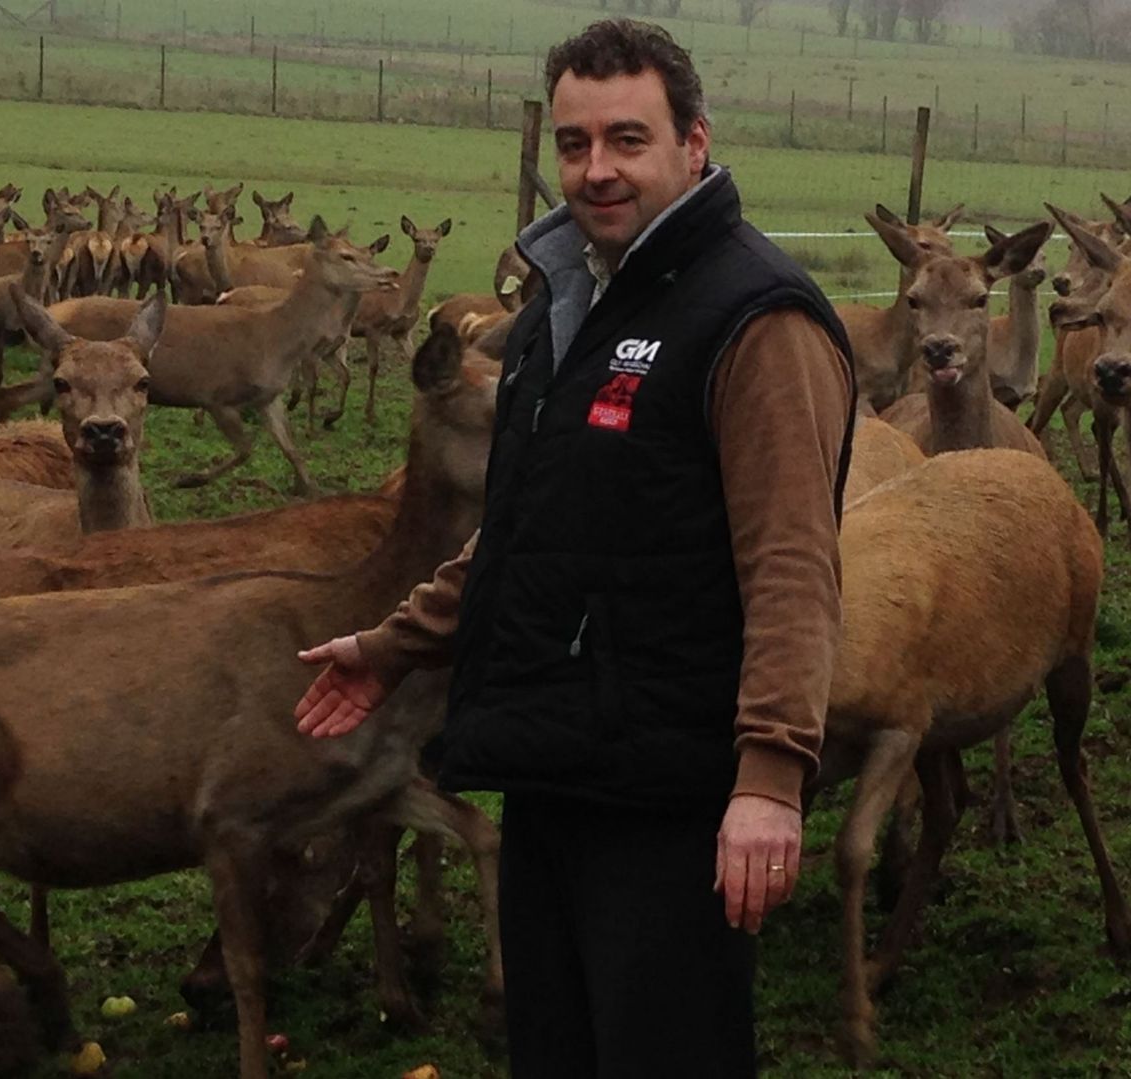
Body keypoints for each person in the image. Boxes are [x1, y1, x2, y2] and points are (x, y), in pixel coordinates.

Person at [289, 18, 855, 1077]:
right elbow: (539, 528)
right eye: (575, 143)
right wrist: (395, 642)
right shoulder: (574, 302)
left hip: (673, 793)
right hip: (556, 762)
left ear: (695, 143)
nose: (597, 169)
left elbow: (792, 565)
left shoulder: (754, 316)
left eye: (628, 139)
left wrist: (771, 778)